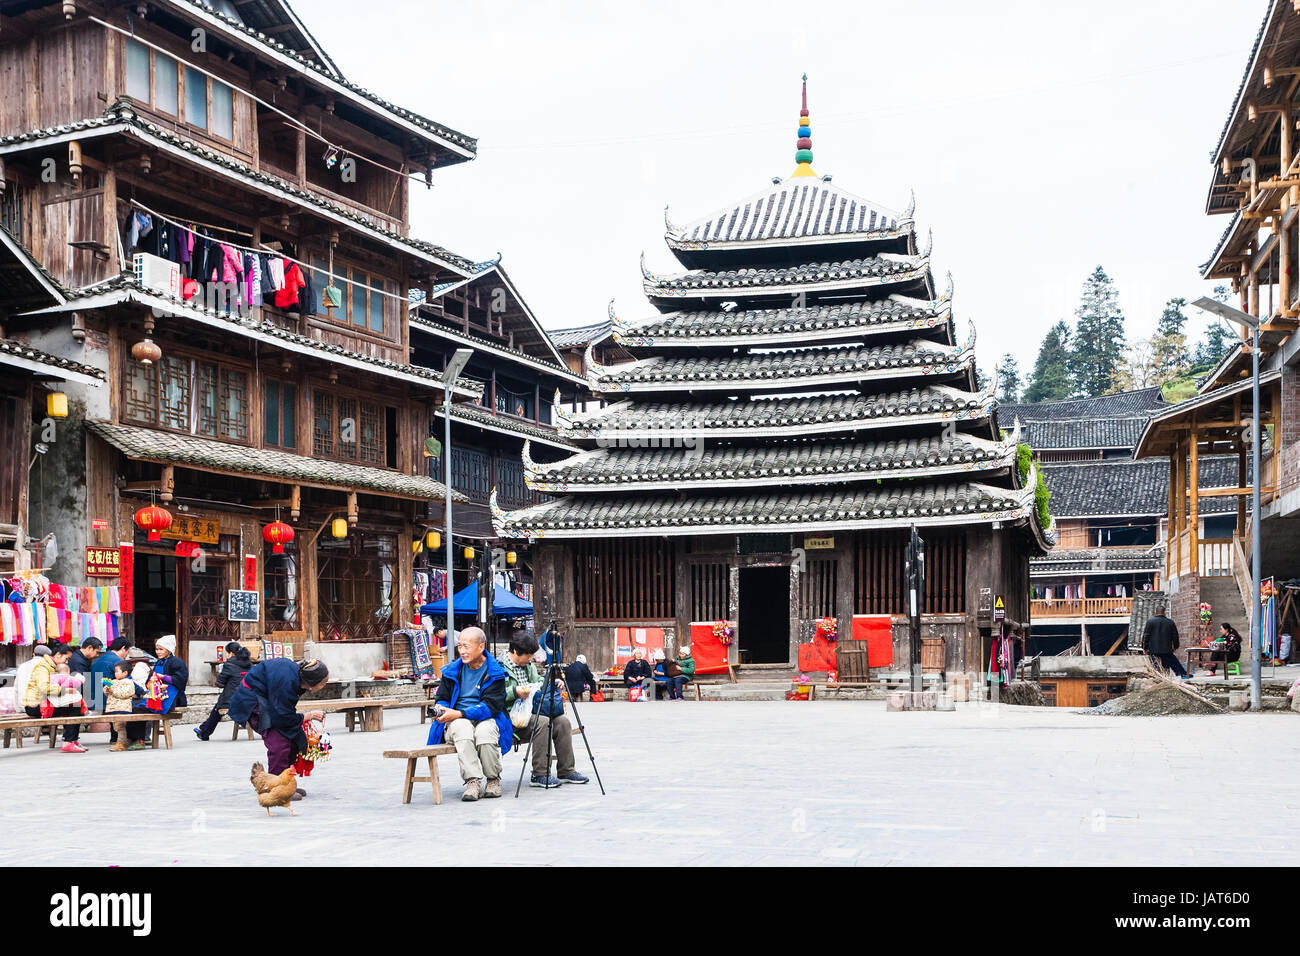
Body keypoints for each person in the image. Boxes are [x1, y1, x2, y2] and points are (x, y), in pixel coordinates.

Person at [426, 626, 512, 801]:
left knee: (484, 731)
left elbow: (491, 707)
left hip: (487, 717)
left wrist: (459, 713)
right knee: (461, 728)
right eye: (460, 646)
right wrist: (442, 709)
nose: (462, 651)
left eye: (467, 646)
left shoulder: (495, 673)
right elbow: (442, 697)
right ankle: (472, 781)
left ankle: (493, 779)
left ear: (481, 647)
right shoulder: (452, 671)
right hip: (456, 720)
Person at [227, 658, 329, 799]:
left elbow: (285, 708)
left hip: (269, 701)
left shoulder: (296, 676)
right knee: (280, 743)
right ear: (311, 683)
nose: (324, 685)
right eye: (323, 683)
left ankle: (286, 784)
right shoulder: (287, 680)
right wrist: (307, 716)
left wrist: (301, 718)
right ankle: (276, 788)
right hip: (254, 701)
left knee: (293, 740)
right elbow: (282, 716)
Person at [499, 631, 589, 788]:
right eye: (528, 656)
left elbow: (539, 681)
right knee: (543, 722)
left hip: (533, 711)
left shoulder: (529, 666)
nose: (531, 659)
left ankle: (566, 770)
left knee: (562, 722)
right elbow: (495, 694)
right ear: (515, 651)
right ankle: (540, 774)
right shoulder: (499, 667)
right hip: (512, 718)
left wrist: (554, 682)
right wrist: (515, 692)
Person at [22, 643, 85, 752]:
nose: (67, 662)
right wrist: (64, 690)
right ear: (58, 655)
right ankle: (68, 742)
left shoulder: (53, 667)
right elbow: (44, 688)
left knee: (75, 705)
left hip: (47, 703)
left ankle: (72, 740)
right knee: (75, 707)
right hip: (35, 706)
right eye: (66, 659)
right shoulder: (43, 668)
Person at [194, 642, 253, 740]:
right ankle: (203, 729)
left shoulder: (229, 664)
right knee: (219, 706)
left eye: (227, 653)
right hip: (249, 698)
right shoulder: (249, 664)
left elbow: (219, 684)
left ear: (231, 653)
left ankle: (204, 732)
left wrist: (221, 675)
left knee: (218, 708)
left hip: (233, 700)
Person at [104, 660, 143, 752]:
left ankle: (121, 743)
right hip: (113, 708)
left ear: (125, 673)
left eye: (117, 671)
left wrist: (113, 691)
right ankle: (121, 742)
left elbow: (125, 694)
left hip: (122, 708)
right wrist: (106, 690)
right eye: (115, 671)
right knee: (116, 726)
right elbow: (108, 694)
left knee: (120, 726)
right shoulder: (114, 681)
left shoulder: (128, 682)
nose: (115, 673)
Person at [1142, 605, 1187, 678]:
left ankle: (1159, 679)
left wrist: (1144, 647)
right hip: (1167, 649)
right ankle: (1182, 674)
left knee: (1157, 668)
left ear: (1155, 612)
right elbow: (1175, 636)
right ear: (1164, 612)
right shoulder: (1170, 622)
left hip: (1153, 650)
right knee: (1171, 664)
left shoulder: (1150, 622)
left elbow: (1146, 636)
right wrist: (1176, 646)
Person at [67, 637, 101, 708]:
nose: (97, 655)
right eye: (97, 652)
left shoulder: (80, 658)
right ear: (89, 648)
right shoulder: (78, 661)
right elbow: (82, 685)